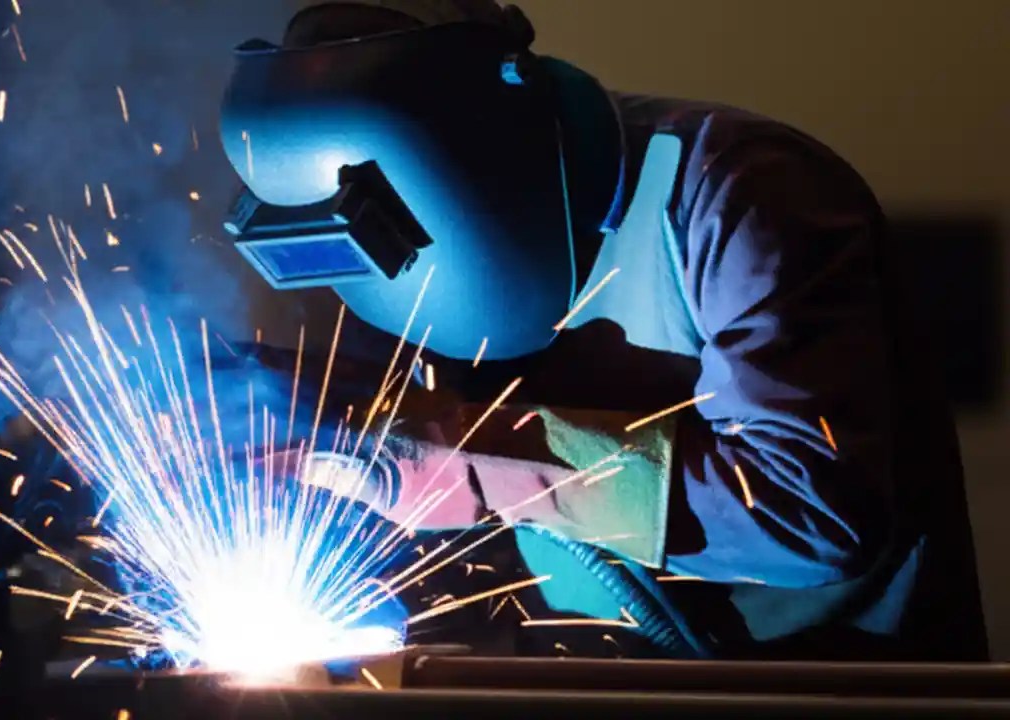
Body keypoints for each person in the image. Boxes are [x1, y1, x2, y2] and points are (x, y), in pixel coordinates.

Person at [216, 0, 986, 660]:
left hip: (813, 691)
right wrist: (289, 418)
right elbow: (397, 427)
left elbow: (811, 508)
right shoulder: (382, 234)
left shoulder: (737, 192)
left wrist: (464, 467)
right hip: (577, 679)